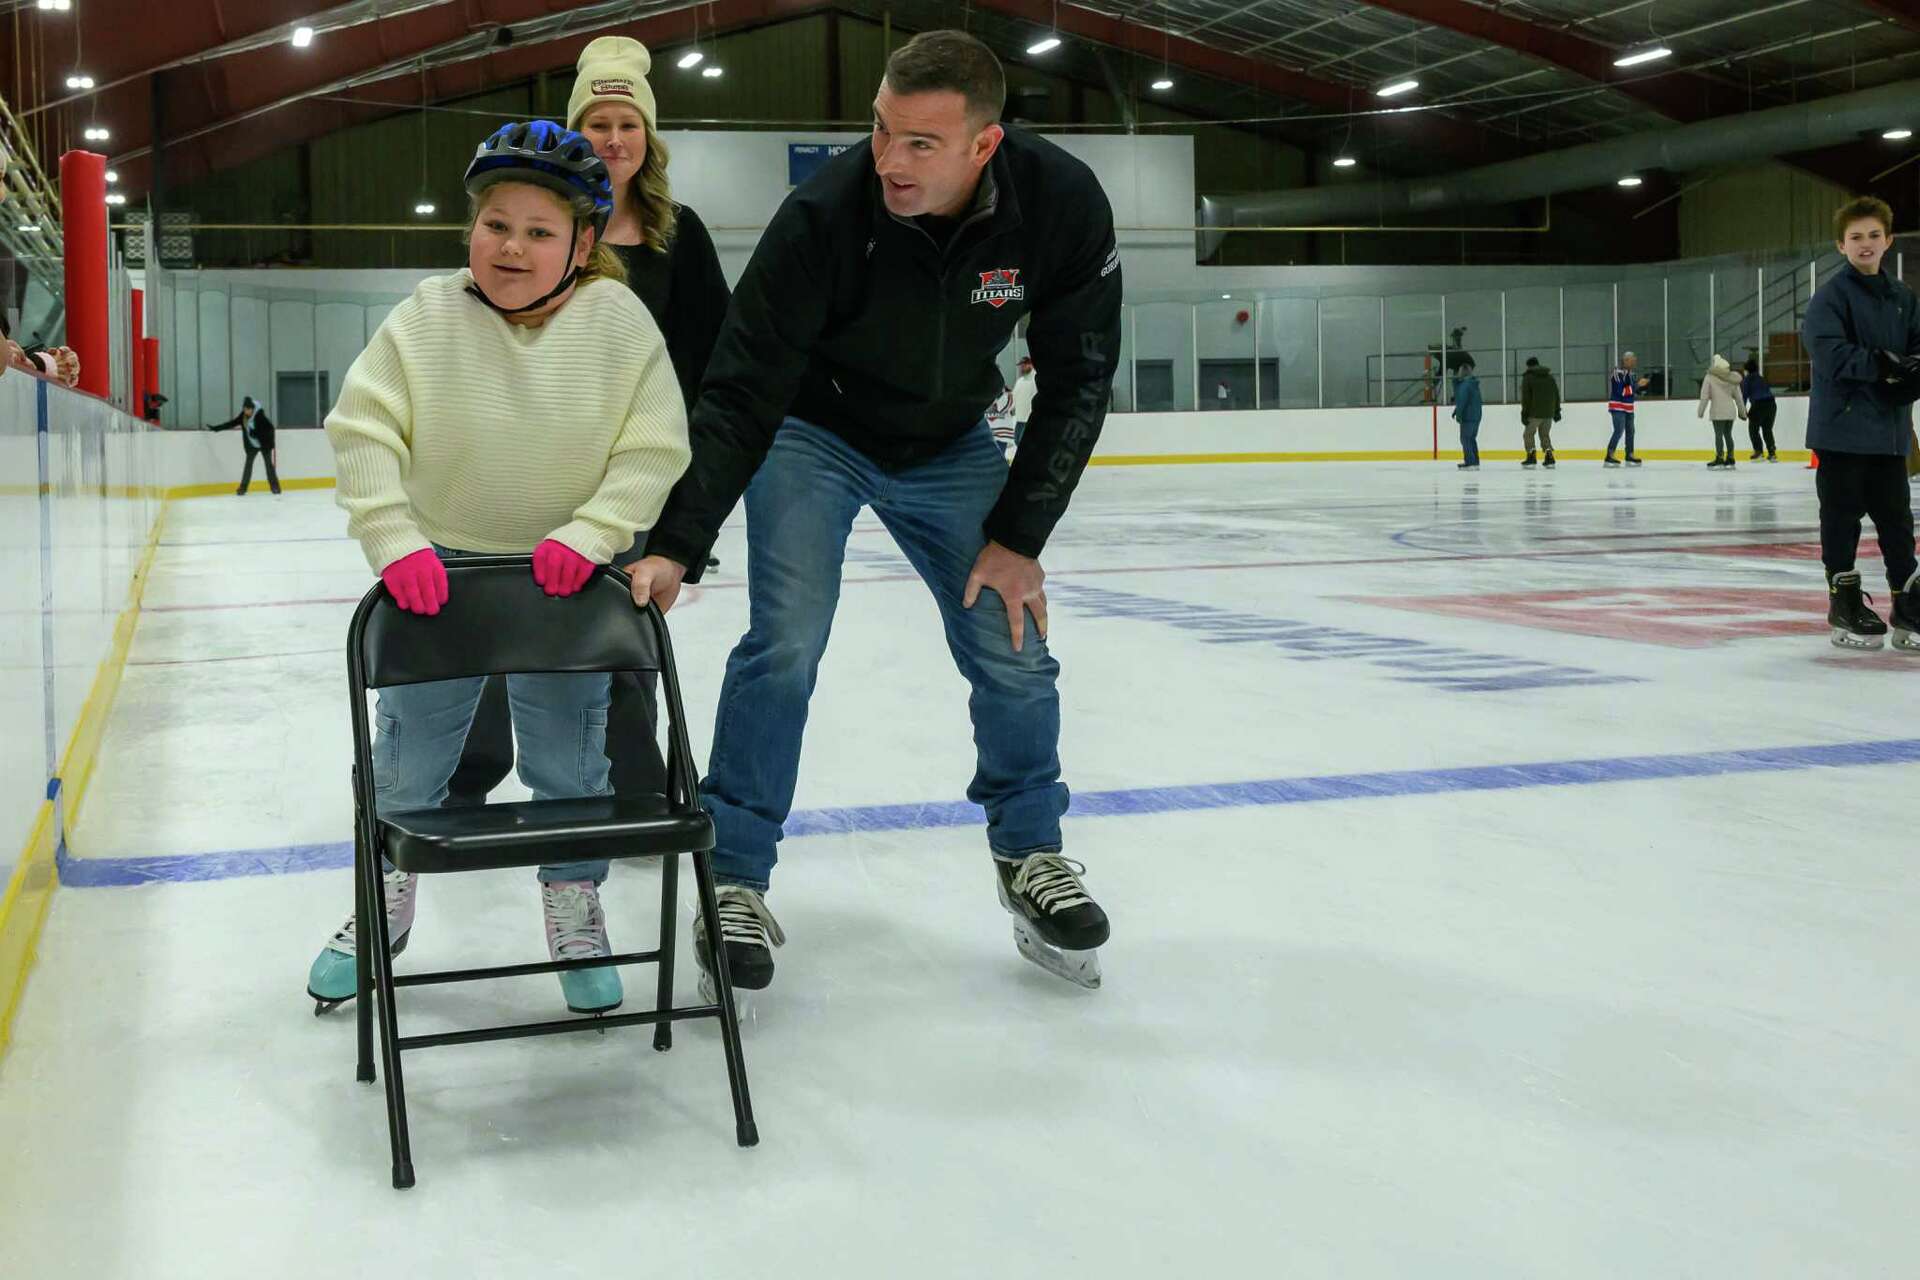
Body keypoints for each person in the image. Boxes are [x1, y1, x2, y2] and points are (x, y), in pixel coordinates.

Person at [626, 29, 1122, 994]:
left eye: (921, 143)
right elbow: (740, 389)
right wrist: (681, 540)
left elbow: (1081, 377)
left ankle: (1031, 852)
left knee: (1011, 639)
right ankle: (735, 878)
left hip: (949, 441)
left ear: (985, 144)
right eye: (882, 129)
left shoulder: (1059, 203)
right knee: (785, 643)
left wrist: (1019, 537)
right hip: (814, 431)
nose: (890, 159)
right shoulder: (822, 214)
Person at [305, 121, 690, 1016]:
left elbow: (654, 443)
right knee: (409, 761)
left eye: (539, 231)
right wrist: (395, 539)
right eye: (496, 225)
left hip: (567, 583)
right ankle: (384, 898)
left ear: (582, 246)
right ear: (471, 229)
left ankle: (574, 904)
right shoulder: (428, 314)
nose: (512, 247)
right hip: (440, 578)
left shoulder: (617, 320)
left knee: (571, 766)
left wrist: (595, 533)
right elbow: (362, 426)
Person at [444, 36, 731, 811]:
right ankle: (458, 783)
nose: (613, 138)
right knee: (494, 624)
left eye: (628, 124)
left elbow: (712, 364)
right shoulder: (537, 224)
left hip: (629, 478)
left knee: (616, 639)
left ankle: (634, 792)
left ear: (649, 138)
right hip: (524, 463)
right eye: (597, 123)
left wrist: (685, 498)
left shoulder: (679, 236)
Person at [1801, 194, 1920, 651]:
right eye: (1856, 237)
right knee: (1841, 518)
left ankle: (1908, 605)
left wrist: (1911, 374)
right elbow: (1830, 354)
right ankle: (1845, 603)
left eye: (1874, 235)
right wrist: (1884, 364)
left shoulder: (1903, 298)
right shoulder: (1829, 298)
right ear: (1841, 245)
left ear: (1888, 240)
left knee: (1897, 522)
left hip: (1889, 433)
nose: (1865, 243)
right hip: (1842, 433)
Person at [205, 395, 280, 495]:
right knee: (248, 465)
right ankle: (243, 488)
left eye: (247, 410)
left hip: (264, 444)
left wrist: (257, 434)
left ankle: (275, 487)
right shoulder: (243, 416)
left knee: (269, 466)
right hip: (252, 445)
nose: (246, 412)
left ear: (252, 409)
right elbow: (232, 423)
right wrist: (216, 428)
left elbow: (270, 429)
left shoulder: (260, 416)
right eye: (244, 409)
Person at [1698, 354, 1747, 470]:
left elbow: (1704, 396)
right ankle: (1730, 458)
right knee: (1728, 435)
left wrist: (1701, 411)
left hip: (1718, 411)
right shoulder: (1732, 378)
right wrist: (1742, 412)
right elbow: (1739, 397)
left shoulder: (1709, 377)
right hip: (1730, 411)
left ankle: (1719, 458)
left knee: (1718, 435)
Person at [1604, 350, 1649, 467]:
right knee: (1619, 430)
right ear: (1625, 360)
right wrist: (1638, 385)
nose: (1634, 362)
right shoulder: (1617, 373)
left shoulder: (1632, 374)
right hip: (1618, 406)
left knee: (1631, 431)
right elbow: (1621, 391)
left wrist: (1641, 388)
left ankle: (1630, 454)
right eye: (1632, 360)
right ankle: (1609, 455)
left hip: (1629, 407)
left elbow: (1631, 391)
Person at [1518, 356, 1560, 469]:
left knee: (1528, 434)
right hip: (1548, 413)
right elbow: (1556, 394)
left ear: (1529, 366)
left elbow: (1526, 398)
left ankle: (1531, 456)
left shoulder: (1528, 378)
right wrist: (1557, 411)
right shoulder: (1550, 377)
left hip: (1534, 413)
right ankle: (1549, 457)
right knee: (1544, 435)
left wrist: (1524, 414)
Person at [1742, 356, 1778, 462]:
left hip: (1758, 405)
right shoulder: (1761, 378)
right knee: (1767, 429)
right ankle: (1772, 453)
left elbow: (1744, 396)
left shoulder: (1747, 380)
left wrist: (1742, 410)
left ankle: (1758, 452)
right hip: (1771, 404)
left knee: (1753, 429)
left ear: (1747, 370)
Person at [1451, 354, 1482, 471]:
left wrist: (1458, 414)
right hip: (1476, 416)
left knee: (1465, 439)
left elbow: (1462, 401)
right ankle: (1475, 461)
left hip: (1468, 417)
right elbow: (1470, 401)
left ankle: (1470, 461)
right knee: (1471, 438)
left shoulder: (1465, 385)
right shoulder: (1473, 384)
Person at [1011, 353, 1038, 447]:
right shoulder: (1020, 381)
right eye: (1021, 366)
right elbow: (1014, 397)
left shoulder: (1035, 379)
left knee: (1024, 443)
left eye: (1024, 365)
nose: (1021, 368)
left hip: (1029, 419)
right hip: (1020, 418)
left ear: (1031, 365)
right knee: (1017, 441)